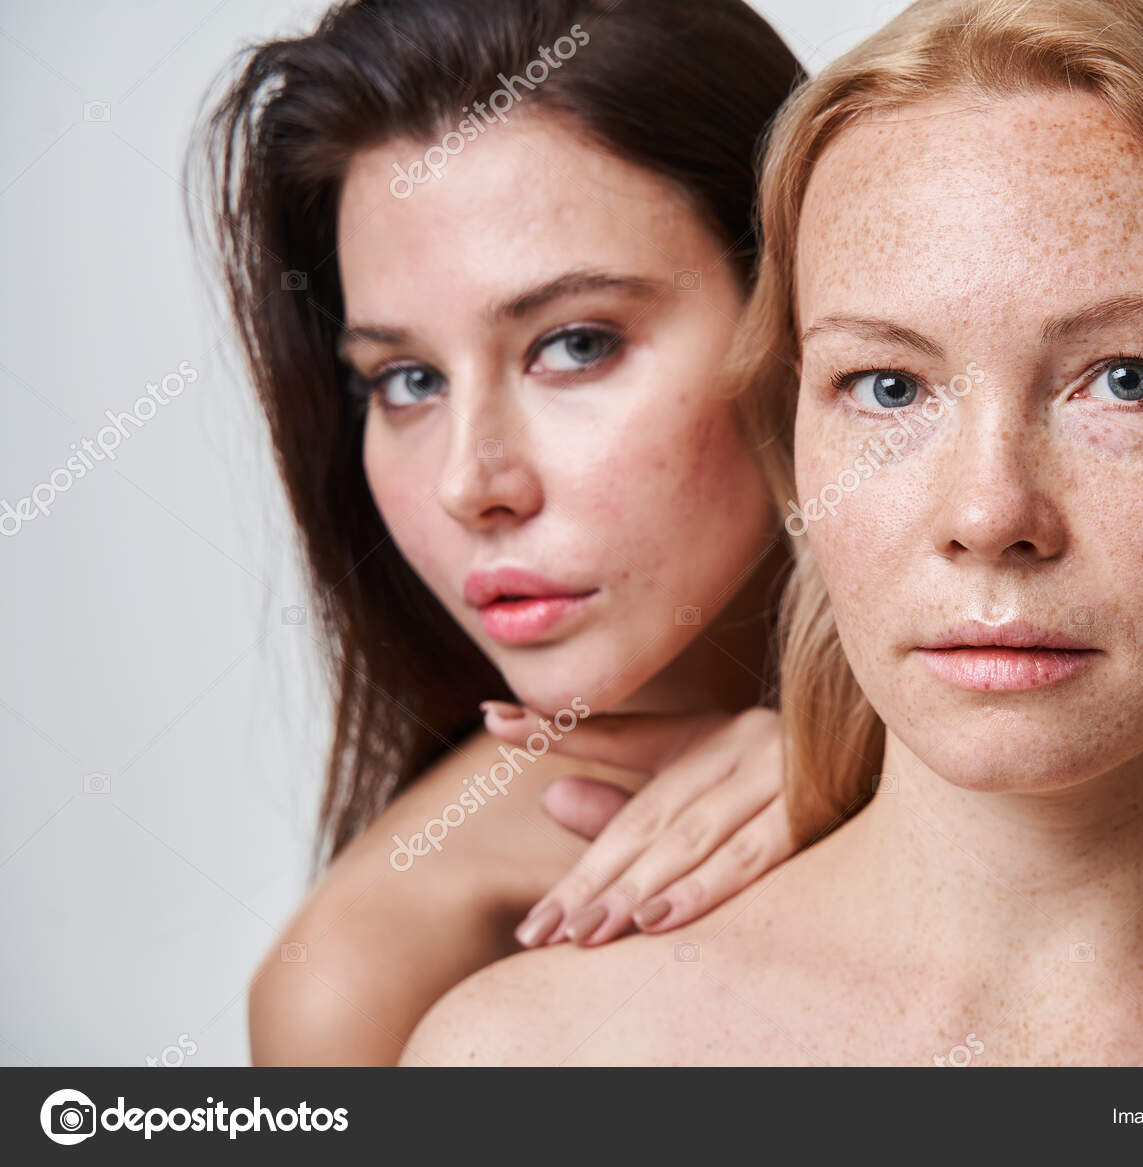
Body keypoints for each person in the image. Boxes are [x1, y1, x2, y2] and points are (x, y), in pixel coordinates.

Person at [402, 0, 1143, 1066]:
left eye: (1127, 379)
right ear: (791, 445)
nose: (989, 516)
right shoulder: (532, 1063)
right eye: (887, 388)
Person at [192, 0, 807, 1064]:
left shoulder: (1132, 731)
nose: (472, 483)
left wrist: (884, 774)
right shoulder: (369, 985)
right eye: (408, 380)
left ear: (796, 312)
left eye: (573, 345)